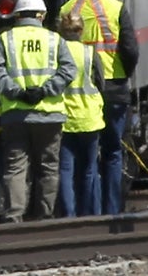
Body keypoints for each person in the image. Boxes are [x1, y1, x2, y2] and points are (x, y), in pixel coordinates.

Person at [0, 0, 77, 222]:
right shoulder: (55, 40)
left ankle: (14, 215)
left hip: (15, 114)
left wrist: (18, 92)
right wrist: (45, 90)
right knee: (48, 167)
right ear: (42, 15)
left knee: (16, 168)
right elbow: (68, 70)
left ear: (16, 15)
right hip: (49, 115)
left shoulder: (4, 40)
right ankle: (44, 215)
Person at [59, 0, 139, 215]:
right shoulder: (116, 7)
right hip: (114, 89)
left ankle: (83, 214)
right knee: (113, 152)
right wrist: (123, 75)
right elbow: (130, 49)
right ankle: (111, 211)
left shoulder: (68, 7)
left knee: (81, 158)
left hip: (78, 93)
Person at [55, 11, 105, 217]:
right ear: (81, 30)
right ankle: (87, 214)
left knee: (65, 170)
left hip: (63, 118)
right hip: (89, 118)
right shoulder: (89, 53)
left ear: (61, 30)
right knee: (89, 170)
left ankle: (69, 215)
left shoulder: (56, 52)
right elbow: (101, 83)